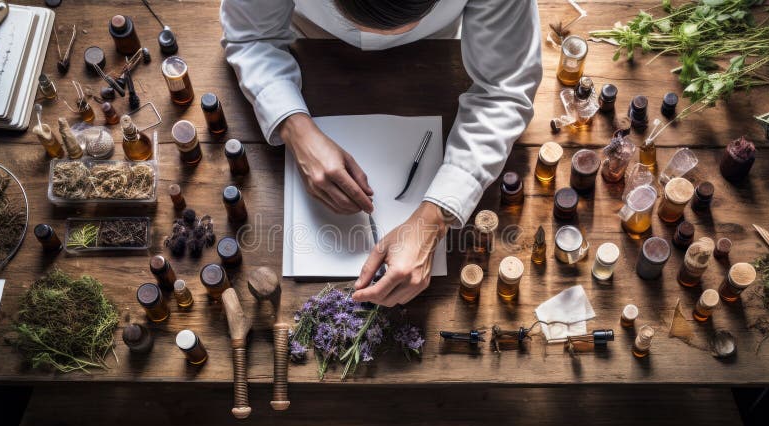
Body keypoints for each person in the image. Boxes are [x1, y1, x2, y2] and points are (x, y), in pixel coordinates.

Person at [220, 0, 542, 307]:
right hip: (312, 40)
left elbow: (504, 87)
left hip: (436, 47)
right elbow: (251, 36)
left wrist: (435, 217)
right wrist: (295, 128)